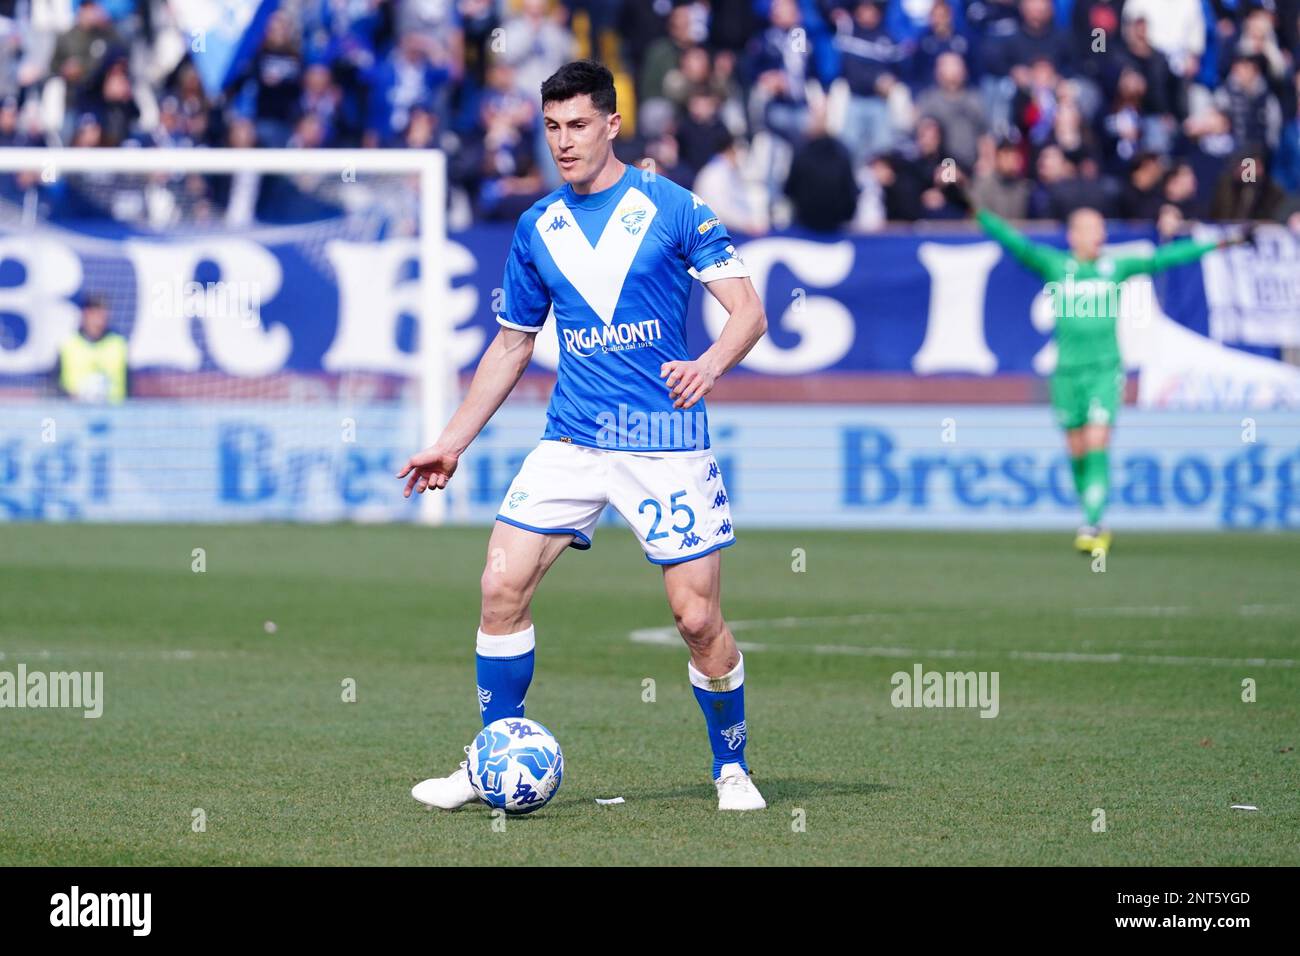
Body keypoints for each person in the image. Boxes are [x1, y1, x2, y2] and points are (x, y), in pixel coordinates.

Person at [399, 61, 769, 812]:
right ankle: (490, 758)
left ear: (612, 124)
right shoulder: (537, 227)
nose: (563, 142)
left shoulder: (675, 207)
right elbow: (512, 344)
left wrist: (707, 365)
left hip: (663, 439)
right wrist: (452, 441)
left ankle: (730, 767)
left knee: (697, 620)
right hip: (573, 439)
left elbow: (749, 312)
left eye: (576, 125)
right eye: (551, 128)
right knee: (499, 585)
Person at [971, 202, 1252, 554]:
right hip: (1067, 374)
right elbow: (1014, 242)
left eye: (1102, 228)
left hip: (1105, 370)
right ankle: (1091, 517)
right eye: (1092, 228)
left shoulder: (1115, 267)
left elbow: (1167, 258)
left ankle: (1092, 524)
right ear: (1074, 235)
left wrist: (1226, 241)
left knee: (1097, 442)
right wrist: (974, 210)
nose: (1100, 235)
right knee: (1077, 450)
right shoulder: (1055, 265)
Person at [57, 293, 128, 404]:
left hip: (113, 412)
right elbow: (54, 385)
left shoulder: (118, 344)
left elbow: (130, 384)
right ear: (85, 315)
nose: (98, 320)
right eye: (94, 315)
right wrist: (69, 395)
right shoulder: (68, 344)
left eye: (101, 315)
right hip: (75, 412)